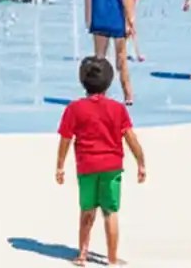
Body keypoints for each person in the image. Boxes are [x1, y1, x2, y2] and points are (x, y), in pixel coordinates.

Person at [56, 56, 147, 267]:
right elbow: (130, 137)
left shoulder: (74, 109)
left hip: (87, 168)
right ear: (109, 82)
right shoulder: (117, 109)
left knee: (87, 210)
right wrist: (141, 161)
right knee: (110, 212)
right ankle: (112, 259)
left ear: (82, 82)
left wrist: (60, 165)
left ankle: (82, 254)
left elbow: (65, 140)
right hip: (112, 167)